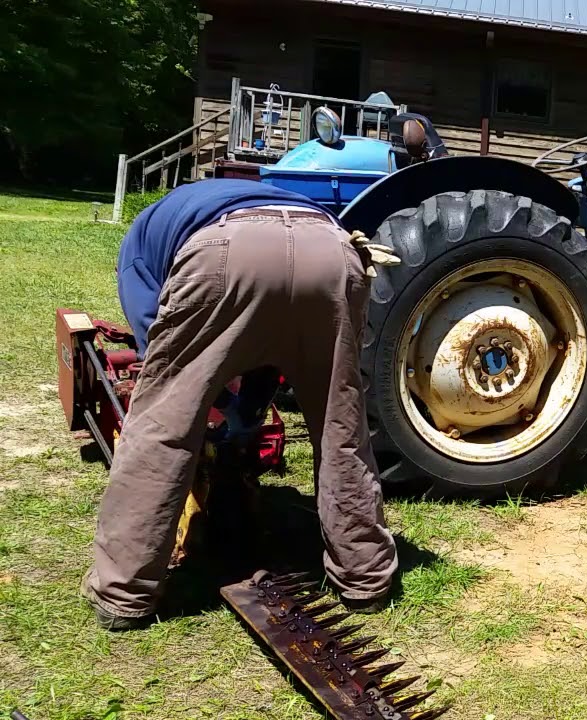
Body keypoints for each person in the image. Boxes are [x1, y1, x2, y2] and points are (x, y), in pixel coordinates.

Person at [82, 179, 399, 630]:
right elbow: (274, 346)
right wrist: (244, 409)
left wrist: (212, 403)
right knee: (339, 427)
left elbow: (156, 344)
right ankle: (365, 576)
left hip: (227, 250)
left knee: (162, 427)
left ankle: (122, 593)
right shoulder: (259, 196)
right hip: (332, 251)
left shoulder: (139, 242)